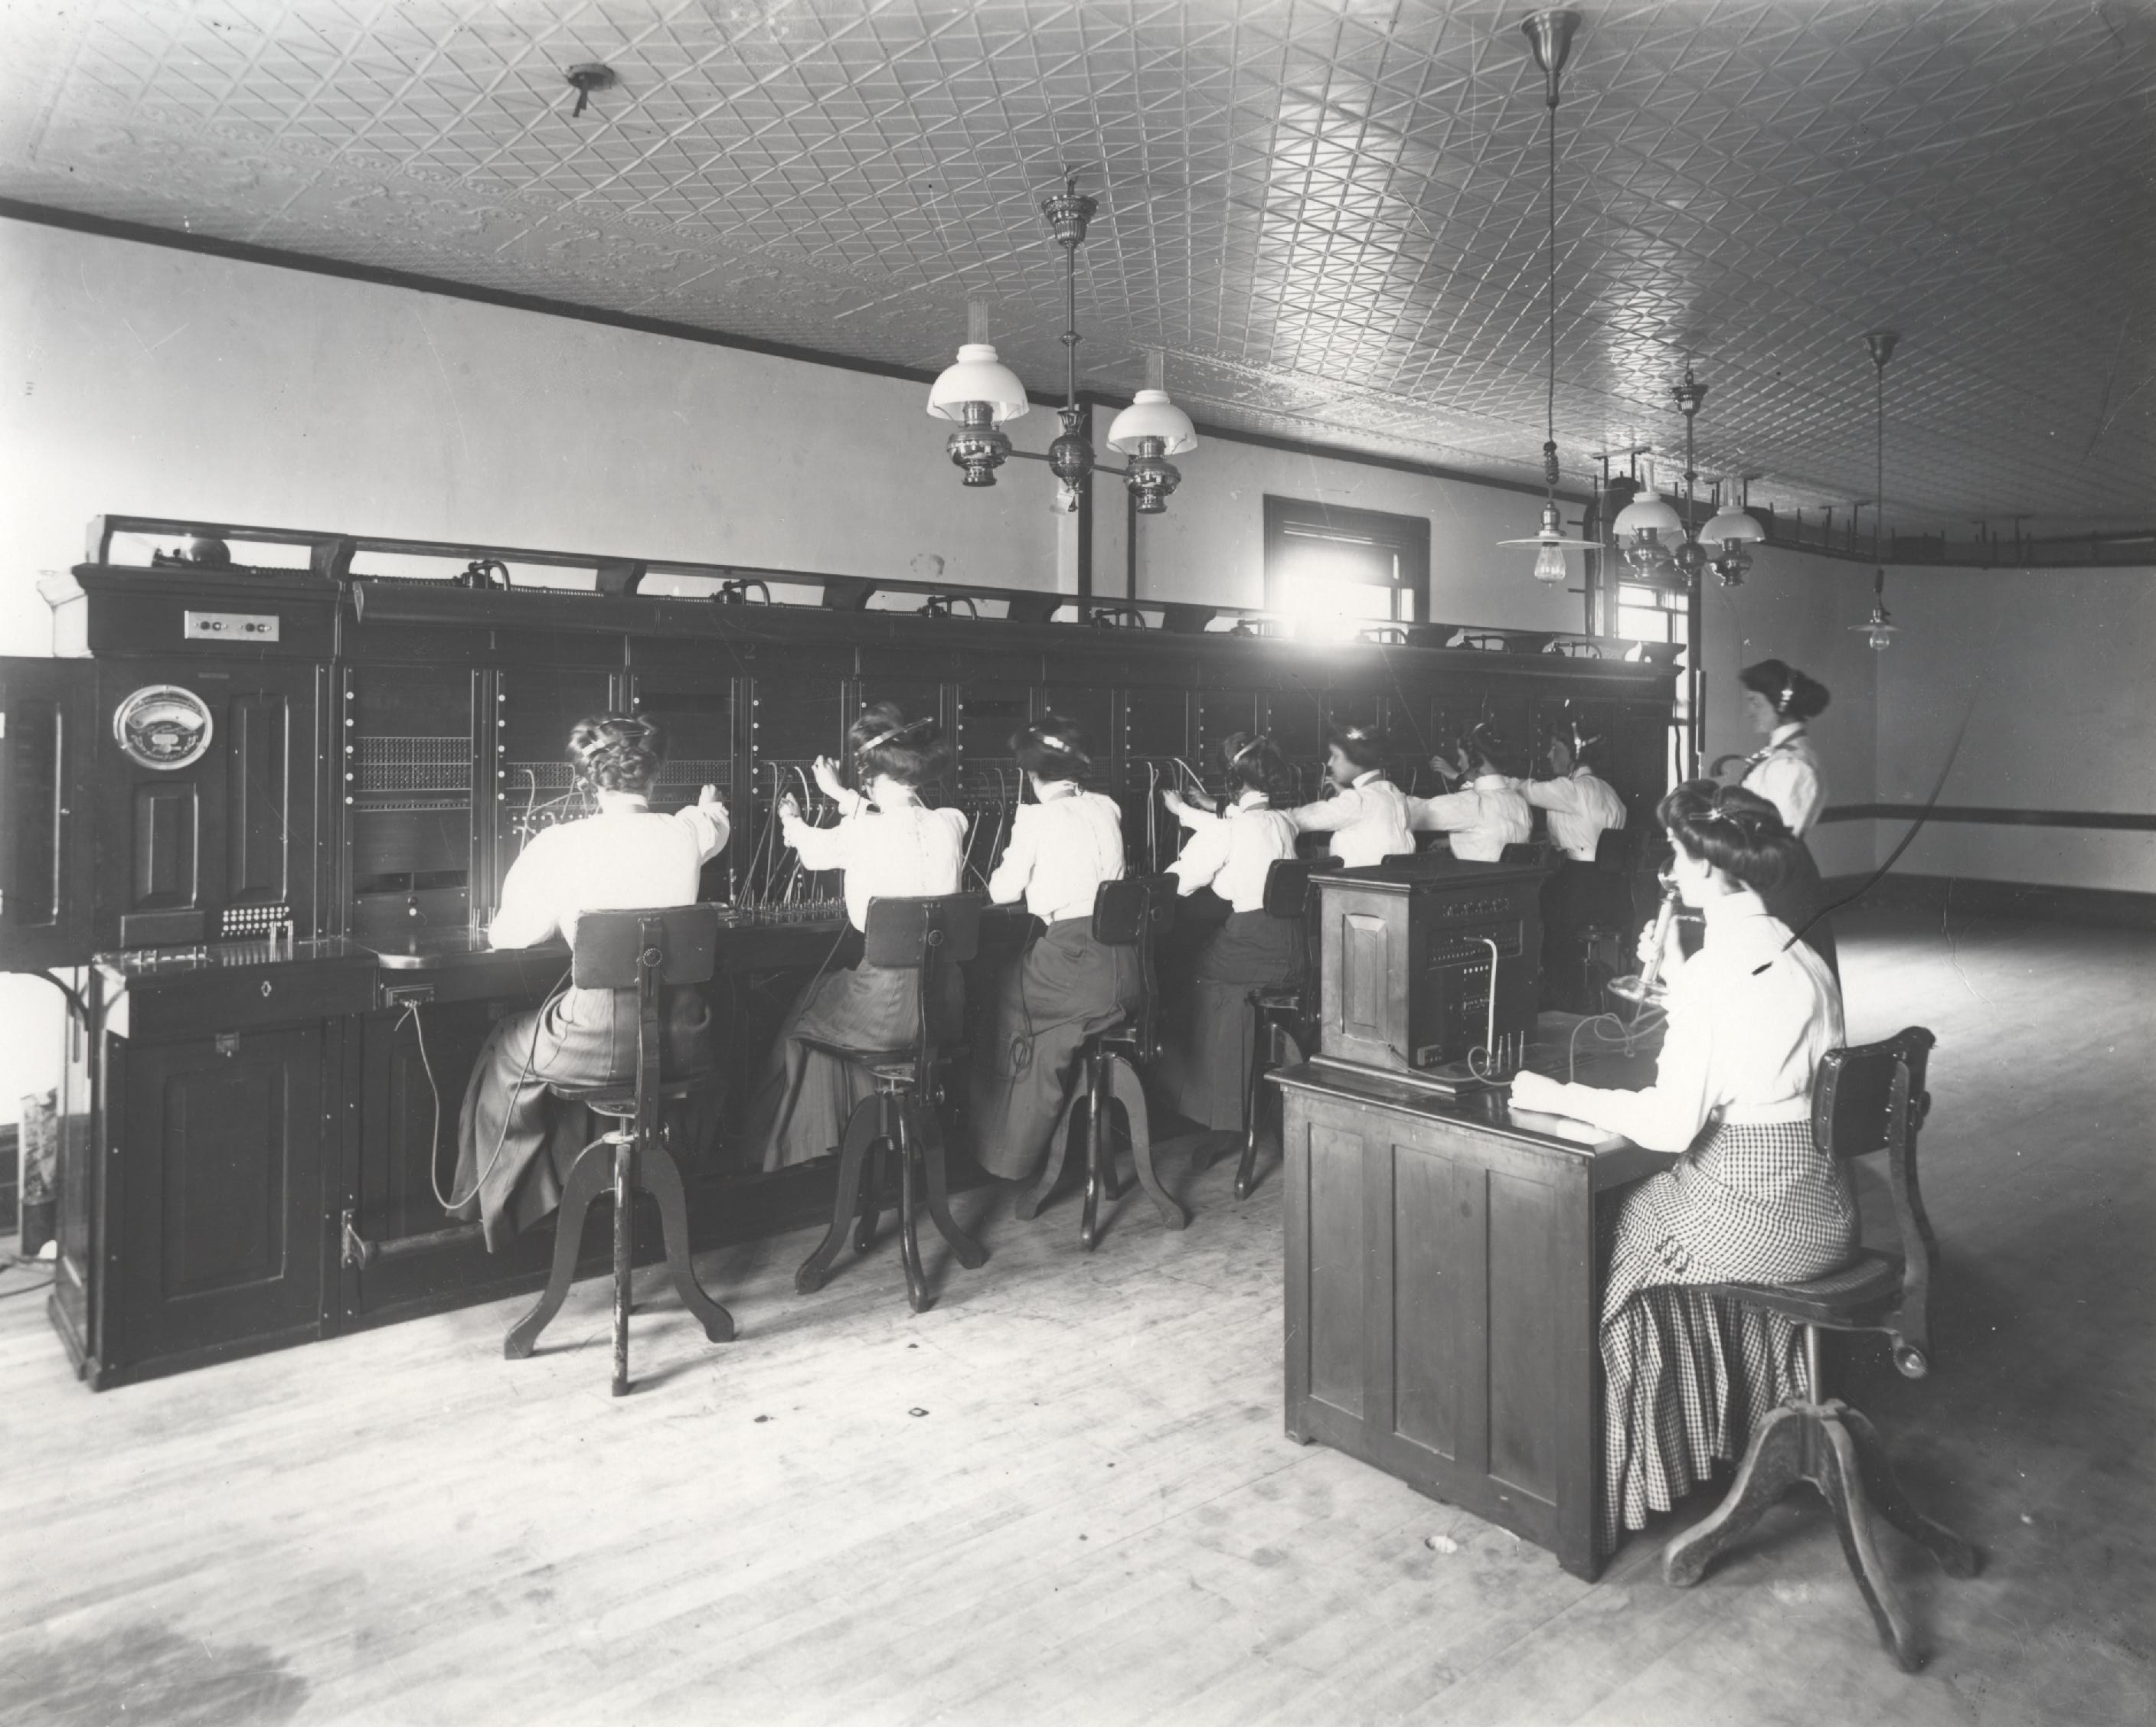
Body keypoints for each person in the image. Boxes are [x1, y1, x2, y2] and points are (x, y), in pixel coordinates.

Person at [1508, 781, 1852, 1556]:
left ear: (1701, 866)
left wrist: (1551, 1091)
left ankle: (1620, 1487)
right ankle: (1713, 1439)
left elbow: (1666, 1125)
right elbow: (1750, 1042)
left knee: (1602, 1232)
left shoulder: (1717, 970)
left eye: (1674, 851)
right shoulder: (1800, 947)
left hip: (1749, 1217)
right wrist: (1675, 978)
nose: (1668, 864)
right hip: (1821, 1210)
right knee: (1649, 1210)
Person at [452, 715, 729, 1252]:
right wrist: (708, 803)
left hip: (594, 1044)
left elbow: (512, 935)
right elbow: (714, 823)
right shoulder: (686, 832)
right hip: (682, 1041)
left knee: (507, 1043)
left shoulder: (560, 843)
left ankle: (499, 1210)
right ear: (653, 775)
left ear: (589, 781)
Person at [744, 703, 969, 1170]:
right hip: (943, 1004)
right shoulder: (951, 823)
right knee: (823, 1008)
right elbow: (894, 821)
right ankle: (863, 1139)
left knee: (804, 1008)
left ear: (869, 774)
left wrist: (791, 817)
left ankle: (794, 1150)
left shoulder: (862, 833)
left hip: (885, 1004)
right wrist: (846, 796)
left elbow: (813, 850)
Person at [967, 716, 1138, 1183]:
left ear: (1028, 773)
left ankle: (1007, 1154)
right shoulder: (1107, 806)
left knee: (1002, 994)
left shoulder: (1037, 818)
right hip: (1125, 965)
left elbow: (1003, 892)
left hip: (1074, 962)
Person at [1153, 732, 1302, 1132]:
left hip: (1251, 949)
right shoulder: (1285, 823)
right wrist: (1187, 811)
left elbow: (1178, 885)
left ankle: (1210, 1107)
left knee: (1180, 970)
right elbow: (1235, 821)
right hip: (1292, 949)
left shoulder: (1231, 831)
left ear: (1232, 783)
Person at [1736, 658, 1838, 975]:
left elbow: (1775, 841)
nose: (1749, 711)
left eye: (1755, 701)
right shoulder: (1781, 757)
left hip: (1777, 885)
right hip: (1770, 875)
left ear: (1780, 703)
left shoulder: (1793, 765)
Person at [1517, 721, 1630, 1008]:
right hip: (1613, 891)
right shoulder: (1610, 793)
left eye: (1555, 749)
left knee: (1533, 907)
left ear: (1575, 753)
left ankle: (1556, 997)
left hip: (1580, 888)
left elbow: (1525, 790)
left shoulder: (1571, 790)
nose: (1548, 756)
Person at [1282, 723, 1414, 867]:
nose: (1330, 763)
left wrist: (1264, 814)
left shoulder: (1356, 802)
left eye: (1335, 755)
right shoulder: (1394, 793)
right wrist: (1347, 794)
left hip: (1357, 887)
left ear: (1356, 758)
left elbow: (1294, 820)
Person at [1406, 722, 1534, 860]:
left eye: (1460, 757)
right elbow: (1492, 837)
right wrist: (1453, 842)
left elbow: (1409, 812)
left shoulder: (1472, 804)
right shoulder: (1520, 803)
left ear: (1476, 760)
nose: (1459, 764)